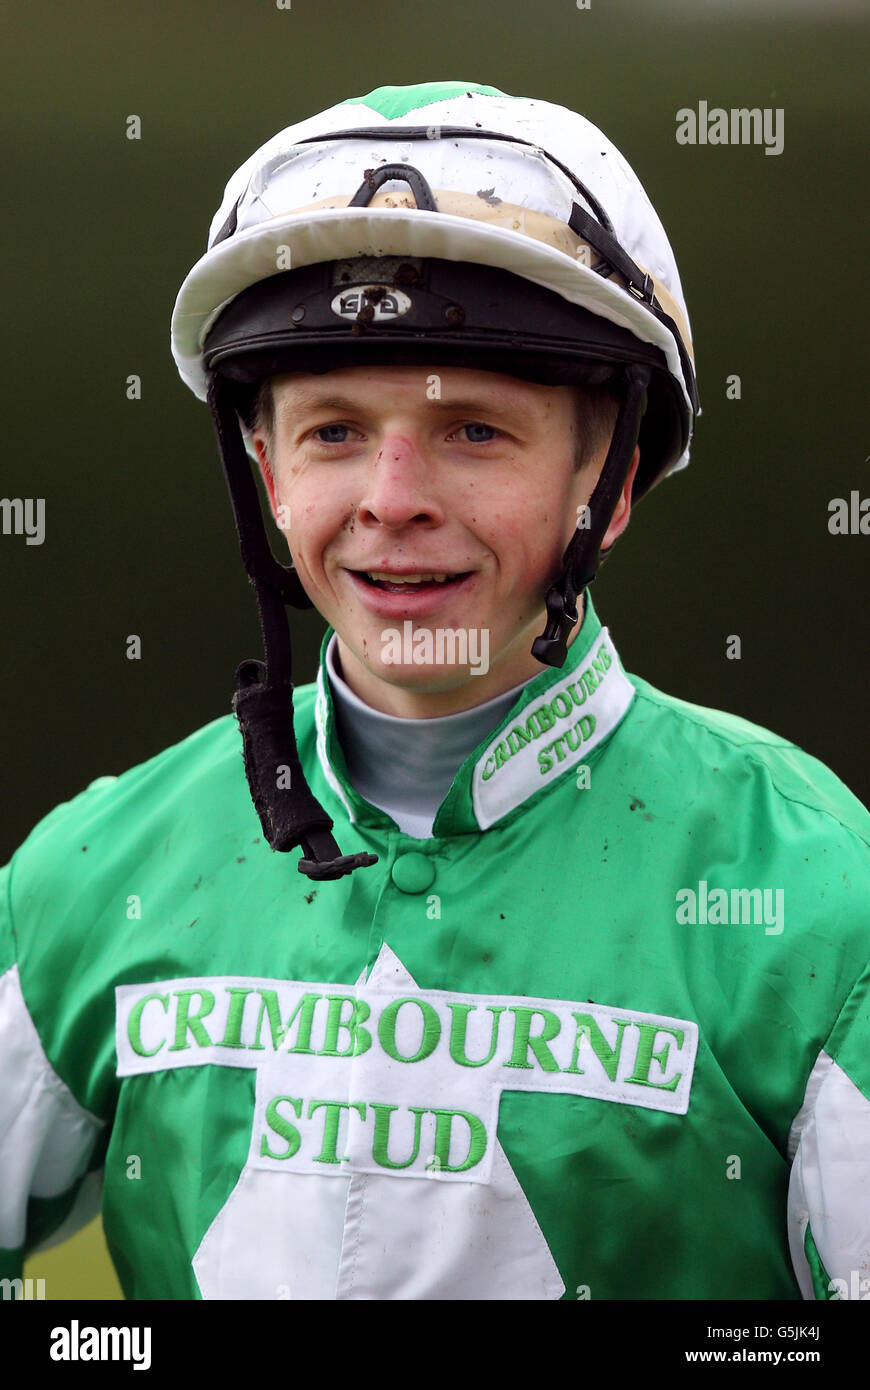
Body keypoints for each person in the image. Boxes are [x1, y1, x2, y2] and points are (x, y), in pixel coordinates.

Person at [1, 81, 867, 1302]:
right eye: (334, 431)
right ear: (265, 473)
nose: (391, 497)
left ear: (607, 486)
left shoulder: (819, 891)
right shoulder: (89, 874)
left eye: (474, 432)